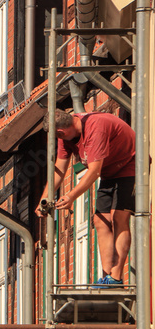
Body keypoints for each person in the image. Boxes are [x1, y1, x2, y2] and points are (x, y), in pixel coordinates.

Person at [35, 110, 136, 286]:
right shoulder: (66, 137)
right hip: (109, 173)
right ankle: (107, 277)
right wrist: (44, 199)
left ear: (61, 132)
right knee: (100, 220)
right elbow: (60, 168)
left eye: (58, 136)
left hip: (130, 166)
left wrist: (71, 196)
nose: (59, 140)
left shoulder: (95, 128)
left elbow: (94, 171)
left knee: (118, 216)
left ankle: (116, 277)